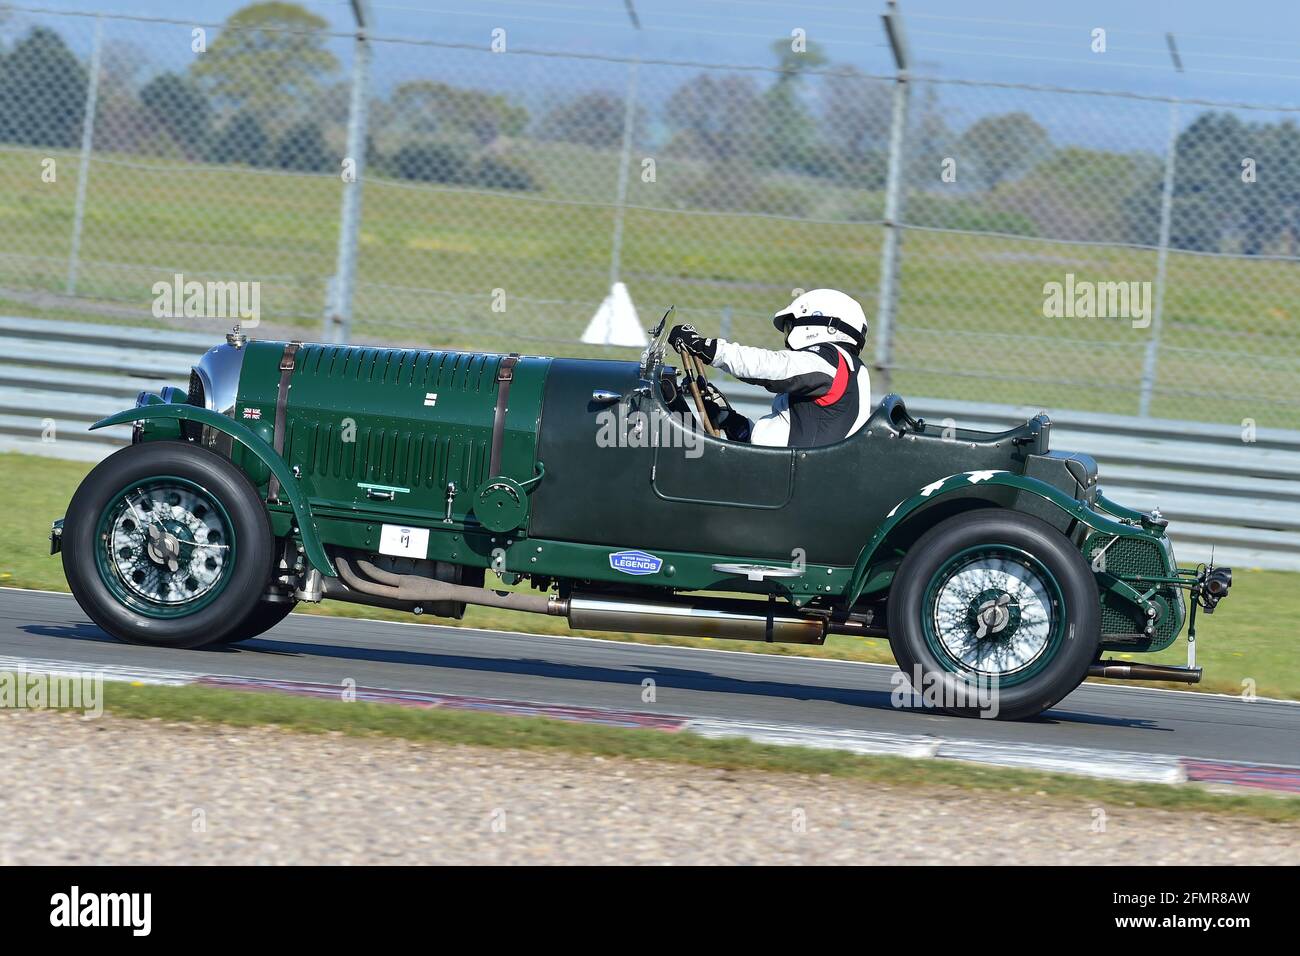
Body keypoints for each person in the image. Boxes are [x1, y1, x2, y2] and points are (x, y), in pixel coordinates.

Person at [668, 289, 871, 447]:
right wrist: (730, 420)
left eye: (790, 327)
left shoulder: (833, 360)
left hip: (793, 484)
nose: (787, 338)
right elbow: (777, 441)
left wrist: (707, 348)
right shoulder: (842, 369)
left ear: (824, 325)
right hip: (785, 477)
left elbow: (773, 367)